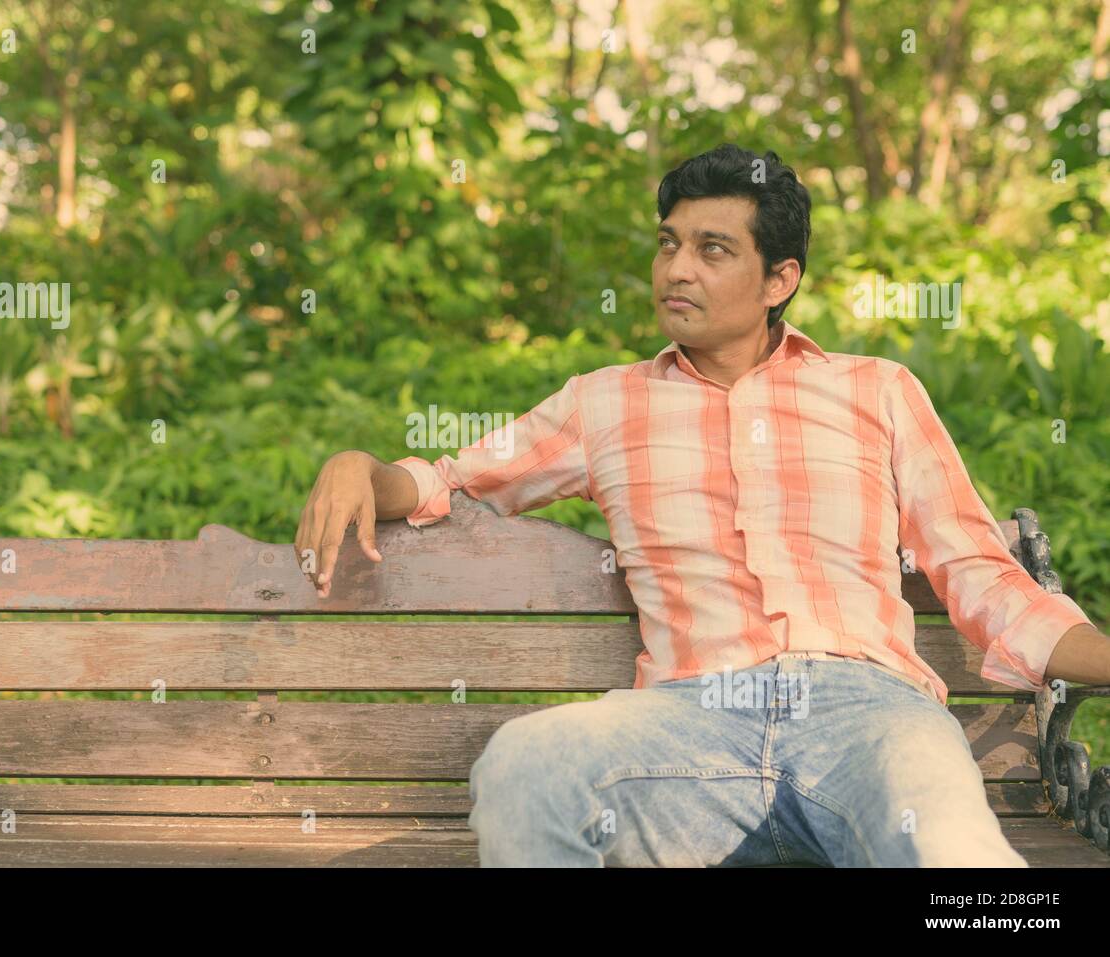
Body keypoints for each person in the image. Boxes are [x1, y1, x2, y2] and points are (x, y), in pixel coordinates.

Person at [293, 143, 1110, 866]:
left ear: (779, 279)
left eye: (712, 250)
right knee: (523, 766)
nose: (676, 269)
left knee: (955, 853)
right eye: (668, 244)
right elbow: (452, 478)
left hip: (869, 720)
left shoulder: (878, 391)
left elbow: (982, 576)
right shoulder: (603, 405)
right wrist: (361, 465)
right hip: (687, 730)